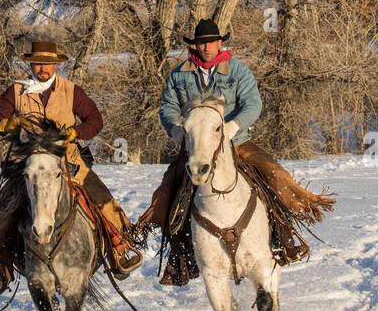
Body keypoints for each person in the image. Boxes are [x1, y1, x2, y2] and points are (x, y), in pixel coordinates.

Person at [137, 19, 335, 285]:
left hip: (236, 143)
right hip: (196, 147)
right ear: (195, 46)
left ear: (220, 43)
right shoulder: (180, 74)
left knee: (274, 175)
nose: (206, 47)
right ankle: (180, 254)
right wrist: (176, 130)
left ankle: (281, 237)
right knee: (166, 192)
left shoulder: (237, 70)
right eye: (201, 43)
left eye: (211, 42)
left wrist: (232, 127)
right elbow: (168, 106)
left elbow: (253, 103)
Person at [0, 39, 143, 292]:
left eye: (48, 64)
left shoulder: (71, 91)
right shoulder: (16, 91)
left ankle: (120, 247)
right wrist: (5, 125)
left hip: (68, 161)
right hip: (26, 164)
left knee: (101, 197)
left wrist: (76, 133)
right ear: (31, 64)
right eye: (38, 63)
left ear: (56, 66)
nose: (43, 68)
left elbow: (95, 120)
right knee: (5, 205)